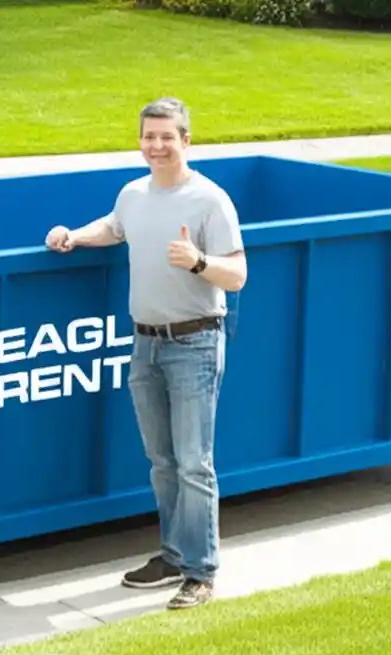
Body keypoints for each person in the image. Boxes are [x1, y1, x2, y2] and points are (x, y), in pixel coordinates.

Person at [44, 97, 247, 610]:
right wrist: (72, 237)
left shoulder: (210, 201)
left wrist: (199, 262)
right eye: (148, 136)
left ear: (186, 141)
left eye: (166, 137)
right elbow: (112, 228)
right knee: (162, 462)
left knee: (194, 463)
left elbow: (238, 274)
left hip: (196, 343)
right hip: (145, 343)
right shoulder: (133, 194)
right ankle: (173, 555)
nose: (156, 146)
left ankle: (201, 573)